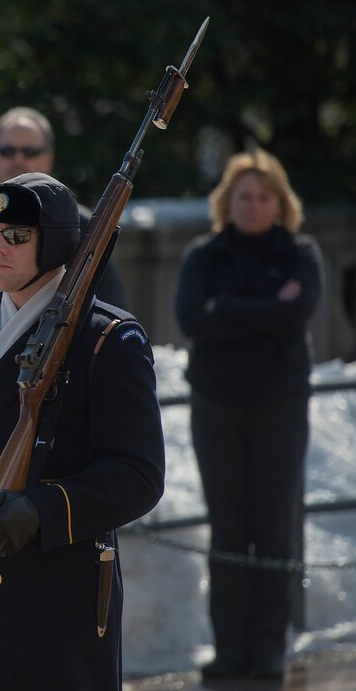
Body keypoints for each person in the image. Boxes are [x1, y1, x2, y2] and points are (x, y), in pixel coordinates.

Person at [0, 173, 165, 689]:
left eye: (17, 235)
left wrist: (42, 510)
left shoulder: (108, 339)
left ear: (53, 241)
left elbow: (139, 474)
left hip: (54, 592)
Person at [174, 149, 322, 680]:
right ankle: (230, 649)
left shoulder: (300, 253)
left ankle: (268, 650)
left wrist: (228, 308)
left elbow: (297, 312)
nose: (254, 206)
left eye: (264, 197)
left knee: (276, 528)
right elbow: (191, 319)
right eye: (244, 196)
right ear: (226, 202)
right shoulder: (203, 256)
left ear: (280, 203)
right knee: (229, 530)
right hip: (217, 407)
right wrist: (263, 310)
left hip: (280, 407)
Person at [0, 106, 127, 355]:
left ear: (49, 157)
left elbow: (108, 310)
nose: (18, 159)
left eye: (30, 151)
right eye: (7, 150)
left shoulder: (85, 226)